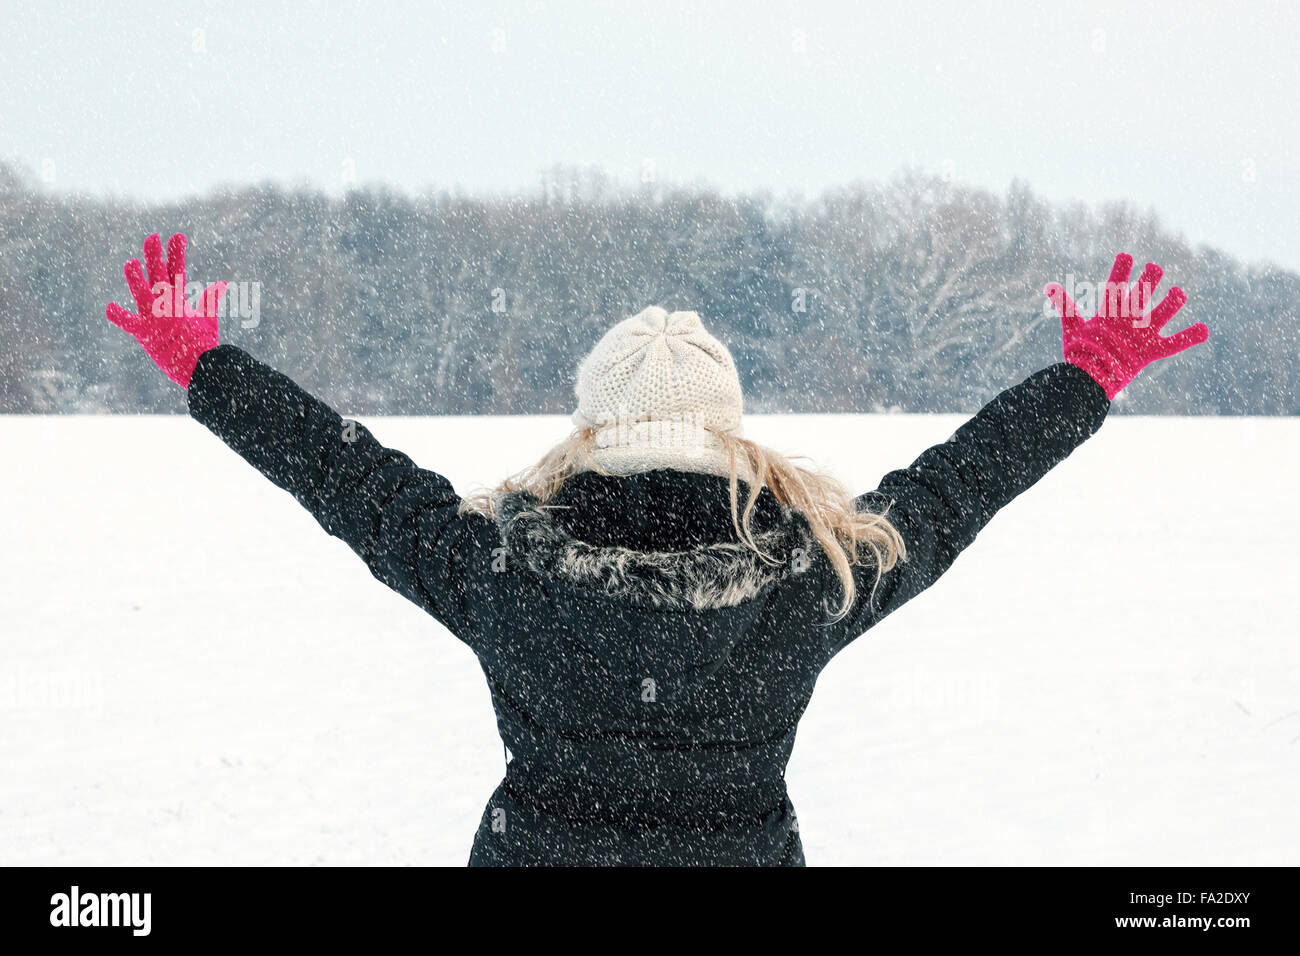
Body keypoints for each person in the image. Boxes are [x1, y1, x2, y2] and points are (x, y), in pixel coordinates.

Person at [105, 233, 1208, 866]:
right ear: (728, 435)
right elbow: (955, 490)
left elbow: (347, 475)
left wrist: (209, 369)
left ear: (592, 429)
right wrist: (1078, 381)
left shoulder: (501, 568)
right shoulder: (810, 575)